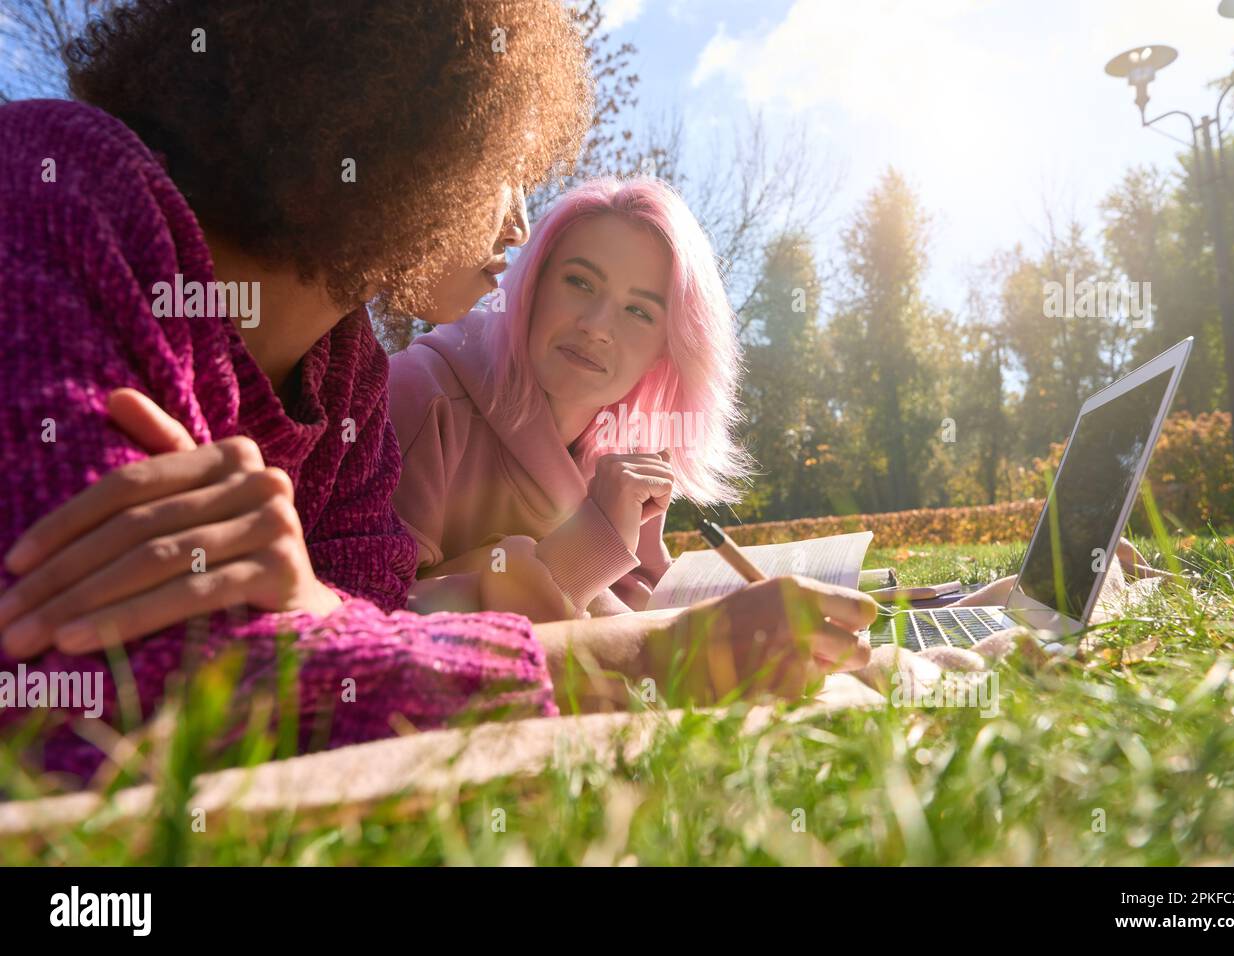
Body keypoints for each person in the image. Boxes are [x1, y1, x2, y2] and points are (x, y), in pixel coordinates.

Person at [0, 1, 874, 785]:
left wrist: (314, 612)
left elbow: (373, 650)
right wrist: (658, 653)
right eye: (510, 167)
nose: (522, 226)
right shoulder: (61, 192)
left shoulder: (346, 381)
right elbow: (92, 712)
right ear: (389, 120)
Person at [389, 178, 750, 621]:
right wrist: (591, 546)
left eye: (639, 311)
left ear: (666, 349)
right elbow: (367, 621)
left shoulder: (630, 452)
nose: (597, 326)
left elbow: (638, 604)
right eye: (579, 282)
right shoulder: (420, 396)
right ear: (533, 285)